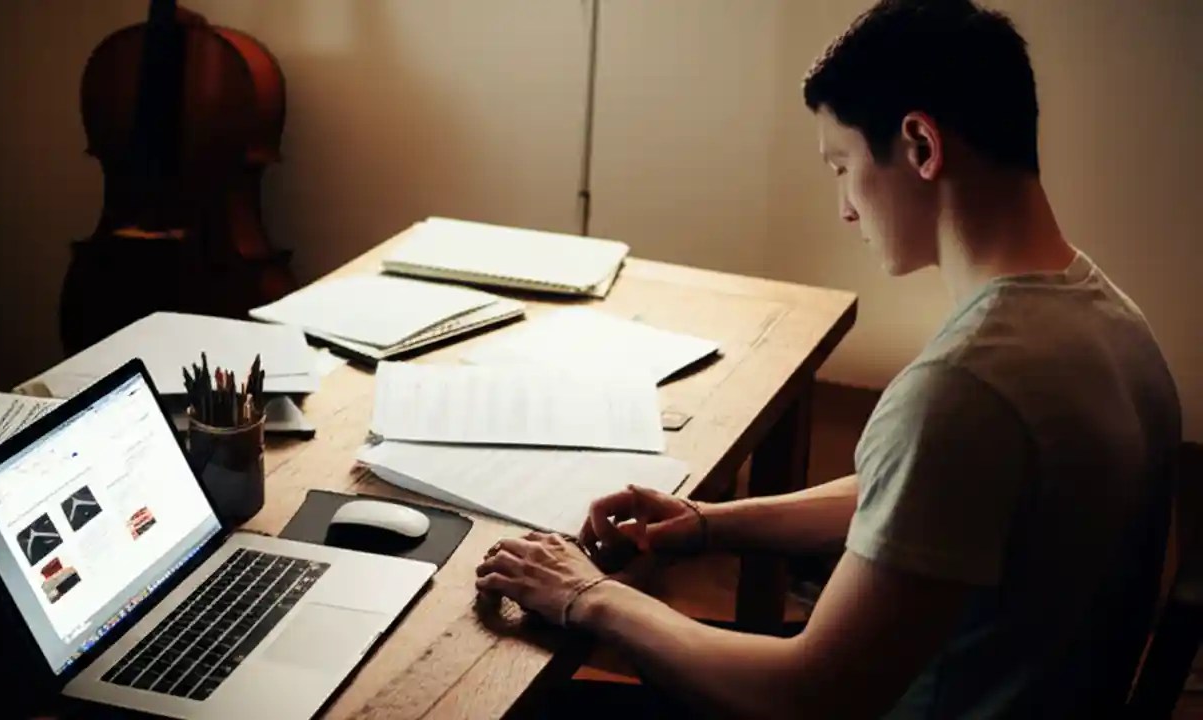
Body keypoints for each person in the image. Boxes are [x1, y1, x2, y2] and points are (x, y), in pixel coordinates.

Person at [474, 0, 1182, 717]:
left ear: (920, 146)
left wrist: (587, 597)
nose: (844, 207)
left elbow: (806, 693)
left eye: (842, 165)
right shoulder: (1106, 319)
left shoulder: (966, 386)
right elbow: (929, 493)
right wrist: (710, 522)